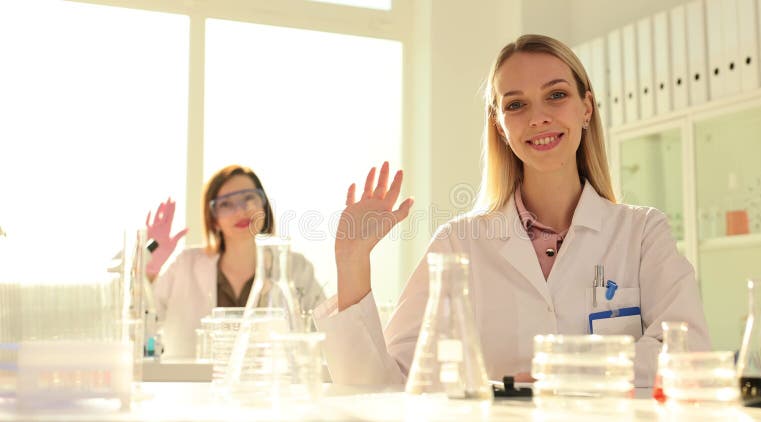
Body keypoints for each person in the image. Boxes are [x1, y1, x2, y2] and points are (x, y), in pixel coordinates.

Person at [313, 34, 711, 387]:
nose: (538, 117)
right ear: (500, 126)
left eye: (556, 95)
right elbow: (386, 384)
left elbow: (687, 352)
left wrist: (563, 370)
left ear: (586, 108)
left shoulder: (641, 232)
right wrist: (352, 262)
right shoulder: (459, 243)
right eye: (516, 104)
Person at [148, 165, 325, 358]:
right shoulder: (185, 265)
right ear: (213, 219)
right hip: (194, 377)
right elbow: (143, 329)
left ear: (264, 207)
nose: (241, 211)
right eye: (226, 204)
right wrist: (148, 270)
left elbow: (325, 337)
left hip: (273, 377)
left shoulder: (297, 268)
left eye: (249, 198)